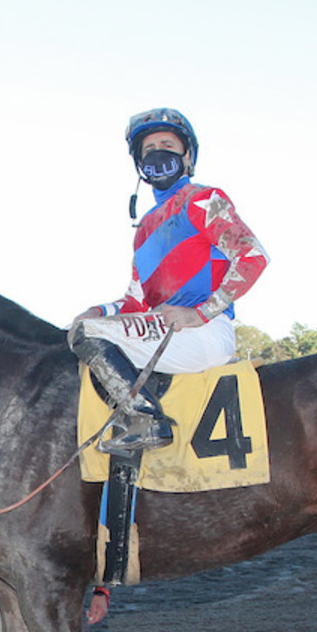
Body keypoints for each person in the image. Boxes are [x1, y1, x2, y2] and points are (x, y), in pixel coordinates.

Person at [71, 107, 269, 452]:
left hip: (202, 332)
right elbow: (134, 301)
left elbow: (253, 256)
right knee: (84, 328)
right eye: (149, 149)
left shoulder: (203, 199)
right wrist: (99, 309)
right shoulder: (144, 228)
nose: (158, 152)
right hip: (166, 331)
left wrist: (200, 313)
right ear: (140, 165)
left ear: (187, 156)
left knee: (86, 335)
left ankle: (146, 420)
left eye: (167, 144)